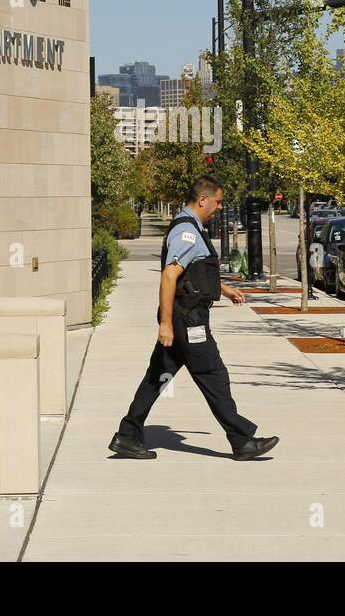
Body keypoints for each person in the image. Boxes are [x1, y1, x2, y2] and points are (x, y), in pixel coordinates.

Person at [110, 175, 279, 461]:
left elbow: (193, 274)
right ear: (203, 199)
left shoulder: (191, 227)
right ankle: (242, 441)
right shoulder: (187, 232)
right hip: (188, 319)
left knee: (156, 378)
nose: (219, 207)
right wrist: (166, 324)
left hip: (184, 315)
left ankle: (127, 436)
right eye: (217, 201)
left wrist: (224, 290)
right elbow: (169, 276)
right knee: (213, 375)